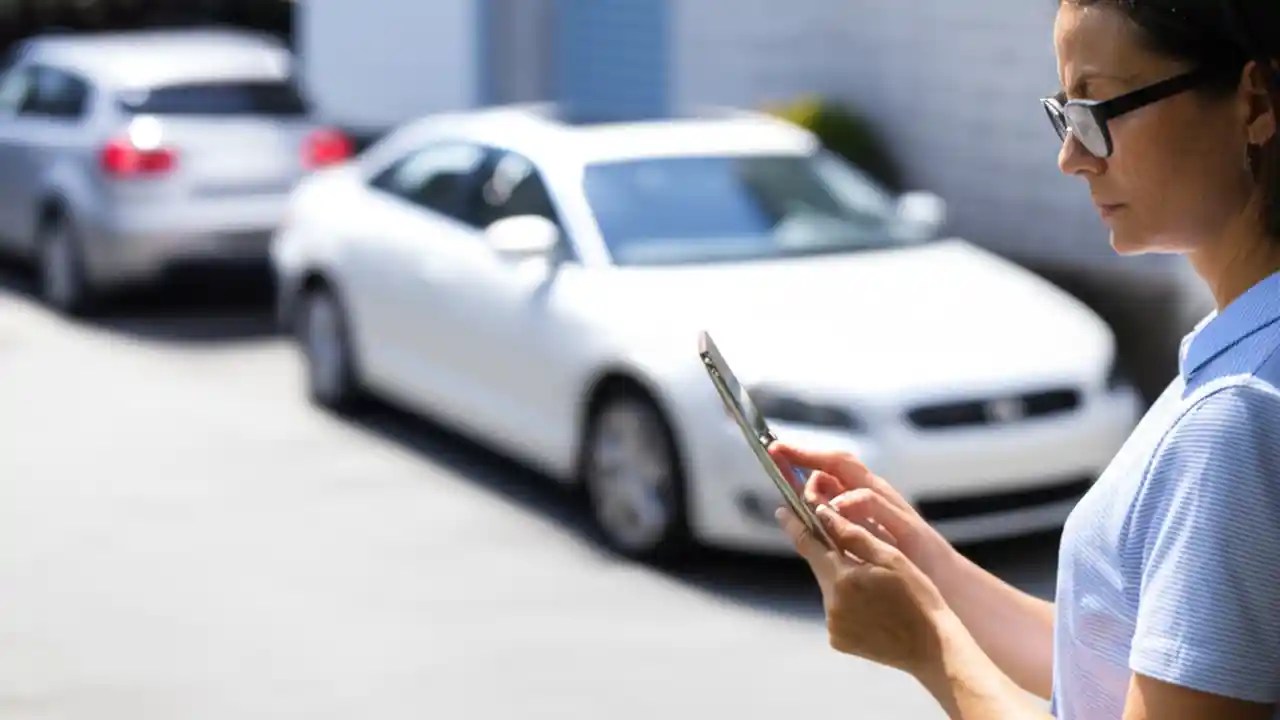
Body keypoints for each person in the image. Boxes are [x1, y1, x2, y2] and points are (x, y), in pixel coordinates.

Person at [772, 1, 1280, 718]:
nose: (1072, 156)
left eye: (1100, 108)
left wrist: (929, 648)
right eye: (1064, 113)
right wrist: (926, 565)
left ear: (1252, 102)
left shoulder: (1240, 411)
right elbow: (1106, 662)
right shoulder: (1244, 353)